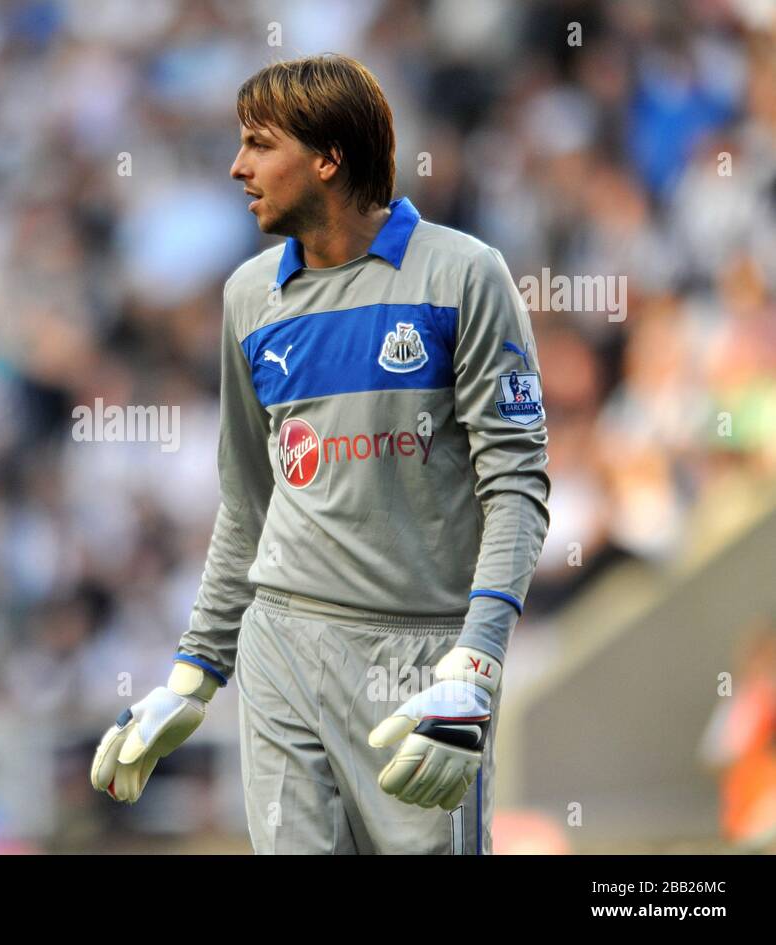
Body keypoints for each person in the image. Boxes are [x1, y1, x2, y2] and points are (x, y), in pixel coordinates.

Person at [91, 53, 550, 854]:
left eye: (259, 145)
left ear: (328, 158)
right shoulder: (247, 298)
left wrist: (476, 661)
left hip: (419, 660)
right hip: (283, 643)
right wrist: (194, 671)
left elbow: (516, 484)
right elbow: (248, 499)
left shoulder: (464, 274)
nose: (238, 168)